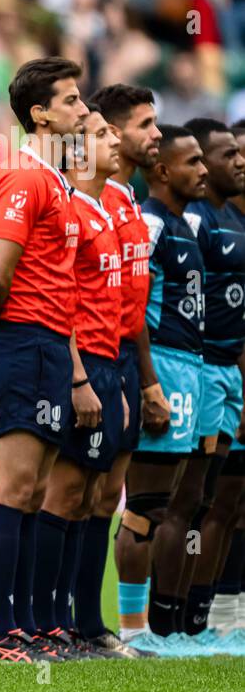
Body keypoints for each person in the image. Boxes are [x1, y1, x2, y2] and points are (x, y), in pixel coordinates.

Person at [0, 57, 87, 663]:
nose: (82, 110)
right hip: (23, 340)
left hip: (50, 343)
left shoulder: (55, 180)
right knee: (12, 486)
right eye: (71, 100)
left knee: (35, 490)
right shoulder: (22, 176)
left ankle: (31, 626)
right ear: (40, 114)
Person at [31, 109, 128, 660]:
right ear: (76, 150)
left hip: (105, 364)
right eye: (100, 133)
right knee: (64, 493)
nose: (113, 140)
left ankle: (80, 623)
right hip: (80, 363)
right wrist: (79, 377)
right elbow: (61, 297)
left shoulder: (103, 209)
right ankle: (48, 623)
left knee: (91, 496)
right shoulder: (68, 208)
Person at [112, 125, 209, 656]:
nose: (203, 170)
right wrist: (149, 380)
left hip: (189, 367)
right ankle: (133, 629)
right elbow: (132, 307)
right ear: (164, 171)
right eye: (192, 162)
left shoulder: (184, 224)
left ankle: (156, 628)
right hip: (164, 366)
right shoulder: (149, 223)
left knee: (175, 502)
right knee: (145, 507)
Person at [82, 83, 162, 658]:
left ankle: (91, 624)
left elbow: (132, 300)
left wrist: (144, 378)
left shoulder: (128, 198)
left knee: (108, 493)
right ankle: (63, 621)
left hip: (123, 361)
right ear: (112, 131)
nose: (155, 134)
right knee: (77, 494)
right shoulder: (94, 198)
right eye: (144, 124)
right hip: (93, 356)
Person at [181, 118, 245, 646]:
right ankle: (174, 618)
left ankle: (217, 614)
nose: (238, 163)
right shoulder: (195, 220)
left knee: (227, 503)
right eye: (229, 153)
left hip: (230, 376)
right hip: (200, 373)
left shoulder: (232, 220)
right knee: (193, 502)